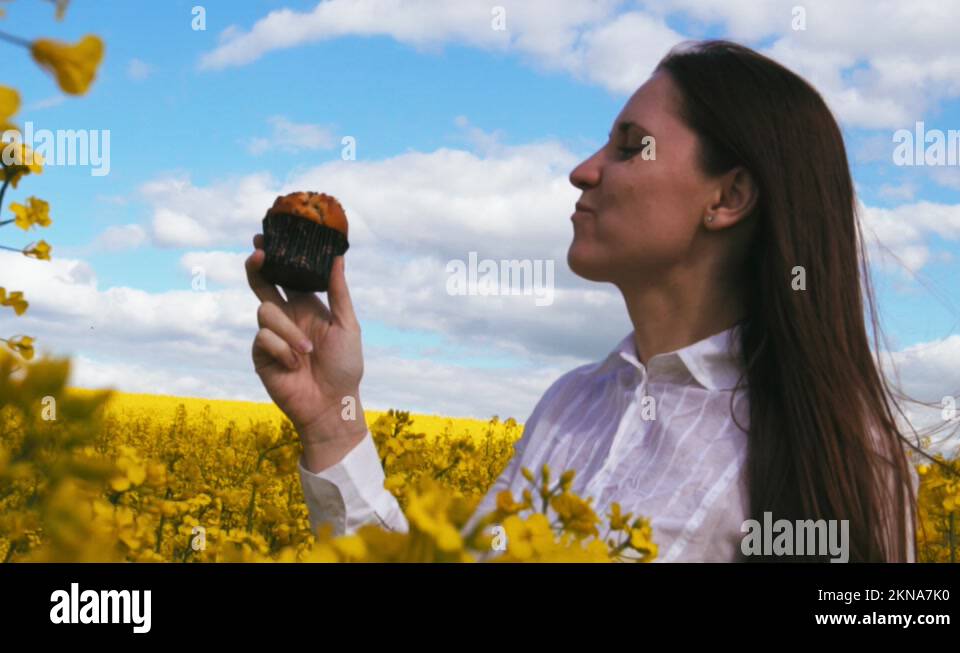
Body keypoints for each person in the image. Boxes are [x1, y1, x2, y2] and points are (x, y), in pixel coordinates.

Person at [246, 40, 924, 562]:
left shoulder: (848, 456)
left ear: (728, 197)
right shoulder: (571, 406)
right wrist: (332, 422)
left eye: (630, 147)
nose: (583, 169)